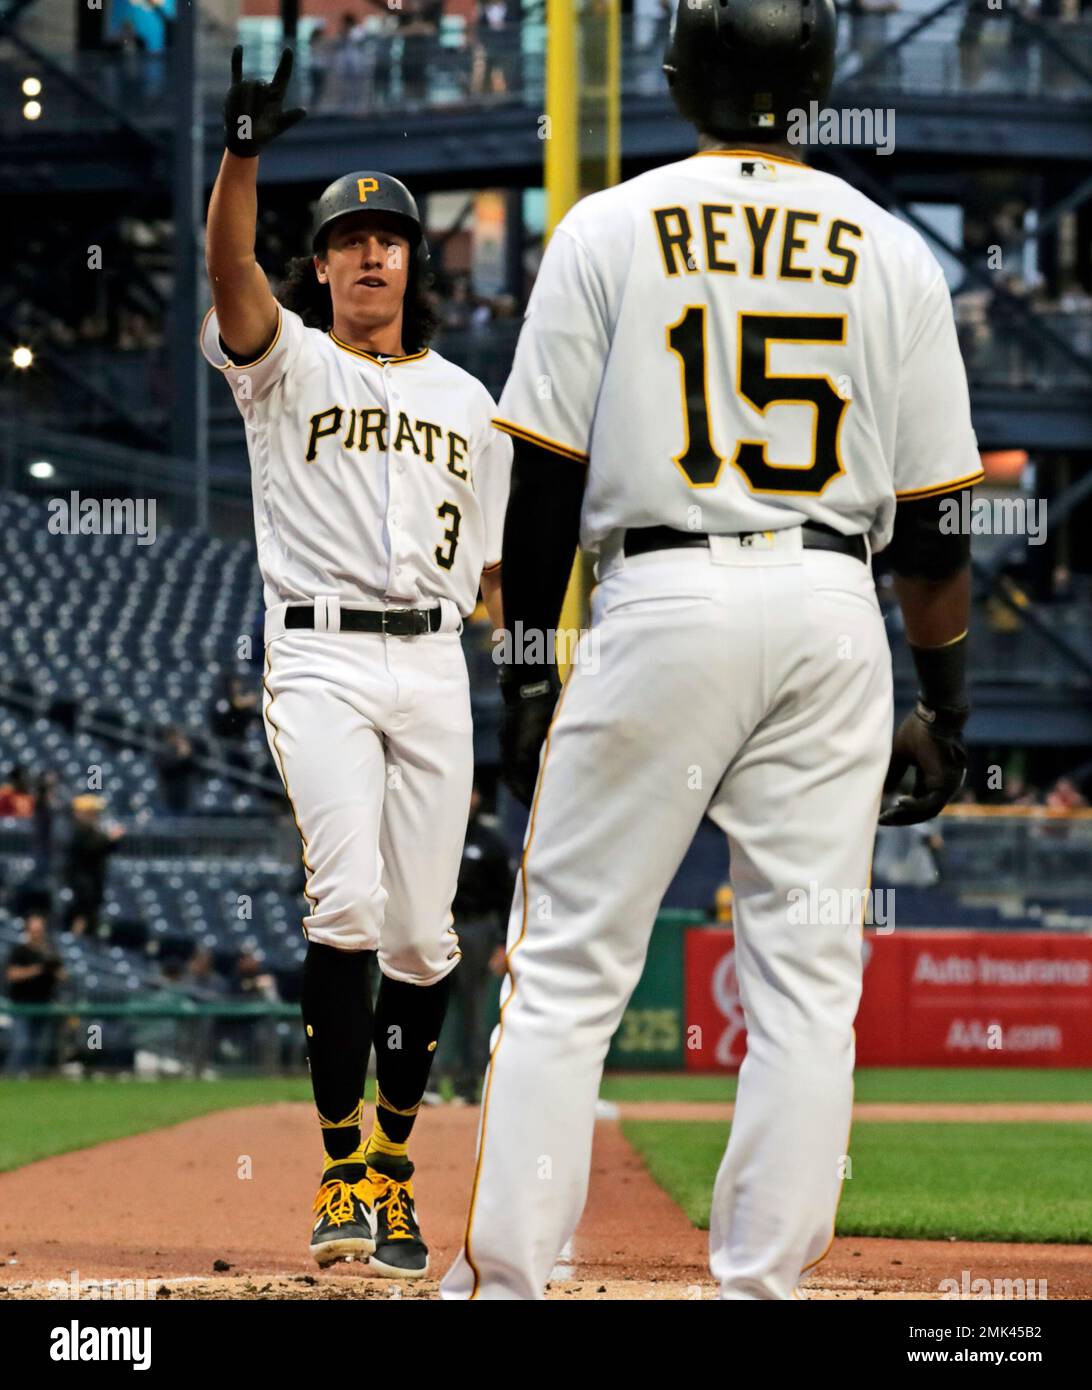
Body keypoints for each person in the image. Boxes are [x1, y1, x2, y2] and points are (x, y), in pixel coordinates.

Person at [442, 0, 982, 1300]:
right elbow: (938, 524)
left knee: (570, 963)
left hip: (662, 596)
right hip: (829, 606)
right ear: (816, 80)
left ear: (679, 72)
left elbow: (544, 487)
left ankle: (511, 1278)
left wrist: (526, 667)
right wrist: (947, 707)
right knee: (805, 980)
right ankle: (760, 1287)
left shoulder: (608, 226)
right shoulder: (894, 250)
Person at [202, 48, 511, 1278]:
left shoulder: (473, 400)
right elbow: (229, 266)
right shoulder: (287, 362)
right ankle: (337, 1170)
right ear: (320, 264)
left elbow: (489, 574)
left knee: (428, 943)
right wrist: (240, 149)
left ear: (409, 263)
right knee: (346, 906)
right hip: (322, 654)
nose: (372, 251)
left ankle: (391, 1169)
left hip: (436, 665)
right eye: (350, 238)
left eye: (390, 236)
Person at [444, 785, 515, 1102]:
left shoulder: (491, 843)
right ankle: (424, 1086)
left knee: (473, 1010)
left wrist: (502, 943)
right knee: (430, 1006)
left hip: (477, 928)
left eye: (473, 791)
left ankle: (467, 1086)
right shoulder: (437, 834)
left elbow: (506, 898)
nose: (468, 797)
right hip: (440, 924)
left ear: (478, 797)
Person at [5, 909, 65, 1075]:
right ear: (27, 931)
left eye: (40, 930)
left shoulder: (50, 952)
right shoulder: (19, 951)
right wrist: (38, 969)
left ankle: (33, 1080)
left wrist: (52, 969)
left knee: (40, 1048)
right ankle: (10, 1077)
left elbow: (63, 977)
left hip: (43, 1005)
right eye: (34, 930)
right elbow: (12, 975)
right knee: (22, 1044)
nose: (37, 934)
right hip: (21, 1006)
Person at [63, 795, 124, 937]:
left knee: (91, 919)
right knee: (82, 916)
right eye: (92, 812)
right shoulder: (78, 831)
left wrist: (111, 841)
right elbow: (92, 848)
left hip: (93, 884)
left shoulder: (92, 830)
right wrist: (110, 839)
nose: (96, 816)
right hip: (83, 886)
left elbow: (106, 849)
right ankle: (75, 942)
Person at [157, 726, 198, 814]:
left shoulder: (185, 752)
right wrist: (181, 757)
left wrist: (187, 755)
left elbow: (192, 769)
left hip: (184, 792)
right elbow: (165, 768)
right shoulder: (163, 751)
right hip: (168, 793)